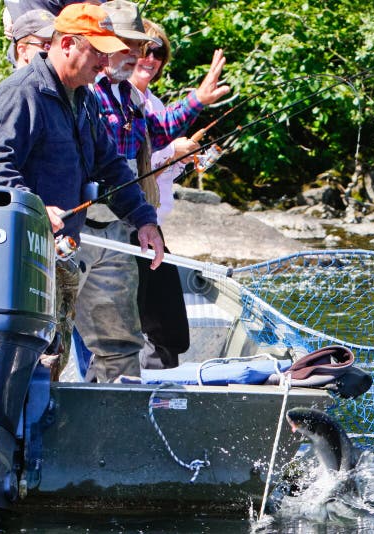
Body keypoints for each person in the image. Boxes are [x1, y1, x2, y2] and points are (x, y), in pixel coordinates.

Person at [0, 3, 165, 382]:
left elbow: (111, 167)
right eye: (97, 52)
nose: (105, 62)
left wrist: (144, 220)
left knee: (57, 355)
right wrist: (32, 206)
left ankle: (83, 431)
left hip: (67, 251)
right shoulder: (21, 93)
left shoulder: (84, 98)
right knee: (30, 357)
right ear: (67, 44)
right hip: (25, 257)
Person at [81, 0, 228, 372]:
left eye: (141, 48)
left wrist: (197, 101)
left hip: (127, 218)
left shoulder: (126, 94)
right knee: (74, 319)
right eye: (126, 47)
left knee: (138, 319)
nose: (135, 56)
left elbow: (154, 132)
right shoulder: (90, 91)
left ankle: (119, 385)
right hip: (88, 223)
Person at [127, 19, 201, 369]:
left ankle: (159, 375)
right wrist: (172, 152)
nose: (150, 58)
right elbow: (128, 161)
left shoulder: (154, 103)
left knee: (168, 317)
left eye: (158, 52)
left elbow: (160, 172)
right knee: (155, 313)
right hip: (126, 225)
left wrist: (181, 159)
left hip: (151, 223)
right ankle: (141, 377)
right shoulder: (116, 98)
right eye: (144, 50)